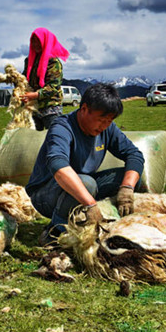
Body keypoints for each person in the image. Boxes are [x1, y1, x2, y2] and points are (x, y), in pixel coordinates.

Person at [25, 83, 145, 246]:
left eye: (109, 121)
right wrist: (90, 203)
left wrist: (127, 188)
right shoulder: (62, 127)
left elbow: (134, 154)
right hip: (46, 194)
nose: (104, 126)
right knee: (87, 183)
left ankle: (104, 219)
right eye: (101, 120)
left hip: (84, 186)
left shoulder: (107, 129)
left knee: (131, 177)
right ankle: (55, 231)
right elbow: (58, 166)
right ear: (84, 109)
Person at [21, 27, 70, 130]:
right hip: (34, 106)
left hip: (50, 107)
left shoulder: (53, 62)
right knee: (32, 138)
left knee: (53, 137)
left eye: (38, 41)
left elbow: (53, 86)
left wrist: (34, 95)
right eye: (33, 41)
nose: (35, 44)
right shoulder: (30, 60)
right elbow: (23, 79)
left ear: (45, 41)